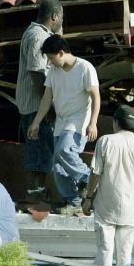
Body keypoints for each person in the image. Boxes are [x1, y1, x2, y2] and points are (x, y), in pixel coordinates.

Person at [28, 34, 100, 216]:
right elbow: (46, 98)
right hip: (61, 120)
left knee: (64, 150)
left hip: (79, 119)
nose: (50, 62)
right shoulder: (54, 71)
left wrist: (93, 123)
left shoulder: (85, 68)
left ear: (61, 53)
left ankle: (88, 178)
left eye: (51, 58)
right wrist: (36, 122)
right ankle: (73, 202)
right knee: (57, 166)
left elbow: (96, 96)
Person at [83, 105, 134, 266]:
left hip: (106, 204)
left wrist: (88, 197)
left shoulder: (105, 141)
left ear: (115, 122)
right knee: (125, 253)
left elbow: (95, 173)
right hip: (130, 207)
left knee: (105, 250)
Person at [15, 0, 63, 203]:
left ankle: (38, 196)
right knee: (39, 155)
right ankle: (36, 199)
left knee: (42, 154)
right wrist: (48, 107)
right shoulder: (37, 36)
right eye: (61, 16)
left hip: (34, 105)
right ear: (54, 16)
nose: (62, 21)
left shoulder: (39, 34)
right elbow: (37, 75)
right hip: (36, 106)